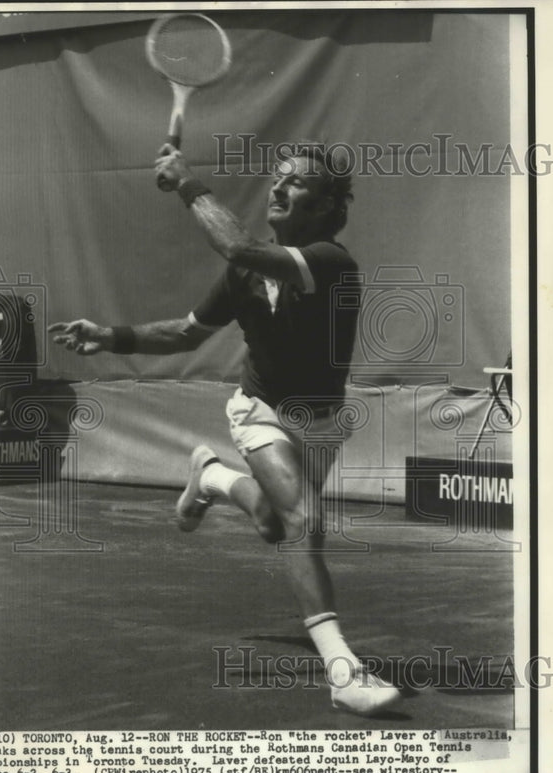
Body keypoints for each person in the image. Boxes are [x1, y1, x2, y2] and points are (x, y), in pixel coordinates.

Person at [49, 142, 400, 717]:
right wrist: (110, 335)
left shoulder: (331, 262)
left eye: (297, 184)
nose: (279, 189)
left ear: (325, 206)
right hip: (259, 409)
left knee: (271, 522)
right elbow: (188, 334)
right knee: (303, 520)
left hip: (322, 421)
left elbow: (237, 242)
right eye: (277, 180)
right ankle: (344, 672)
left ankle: (211, 476)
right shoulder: (243, 274)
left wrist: (187, 183)